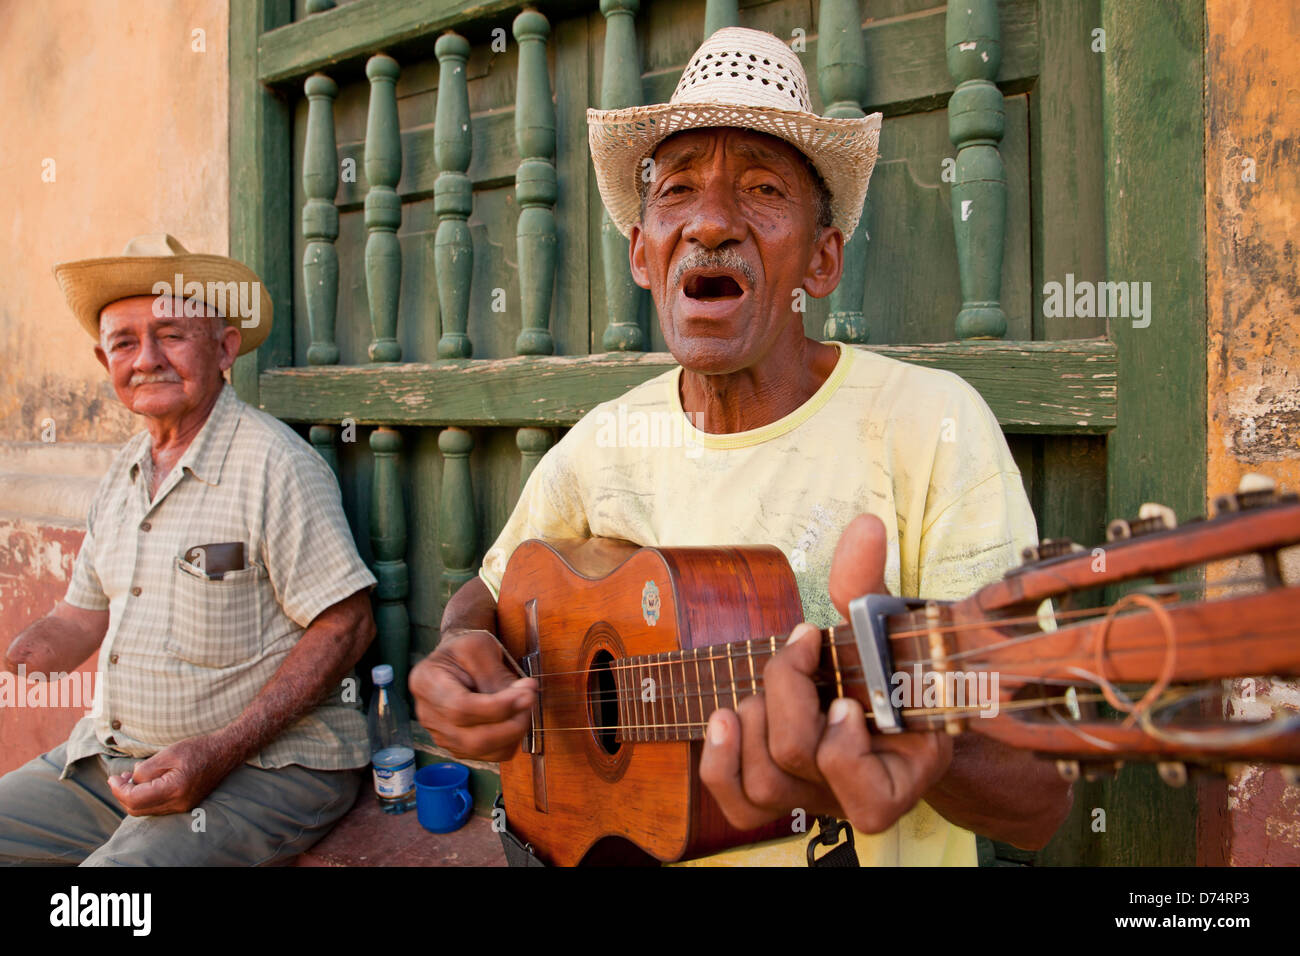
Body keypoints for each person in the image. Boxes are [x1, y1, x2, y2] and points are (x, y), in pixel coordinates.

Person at [411, 27, 1072, 865]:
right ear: (644, 255)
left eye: (761, 189)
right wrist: (455, 643)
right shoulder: (602, 444)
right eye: (677, 190)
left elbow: (1042, 798)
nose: (711, 223)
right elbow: (492, 590)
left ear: (823, 259)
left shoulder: (933, 427)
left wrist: (917, 738)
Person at [0, 234, 378, 866]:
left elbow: (347, 625)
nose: (146, 358)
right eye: (124, 342)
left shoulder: (275, 465)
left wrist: (215, 752)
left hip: (263, 769)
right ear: (105, 360)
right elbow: (76, 618)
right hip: (118, 762)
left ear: (225, 348)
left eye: (171, 334)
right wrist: (16, 666)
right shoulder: (122, 473)